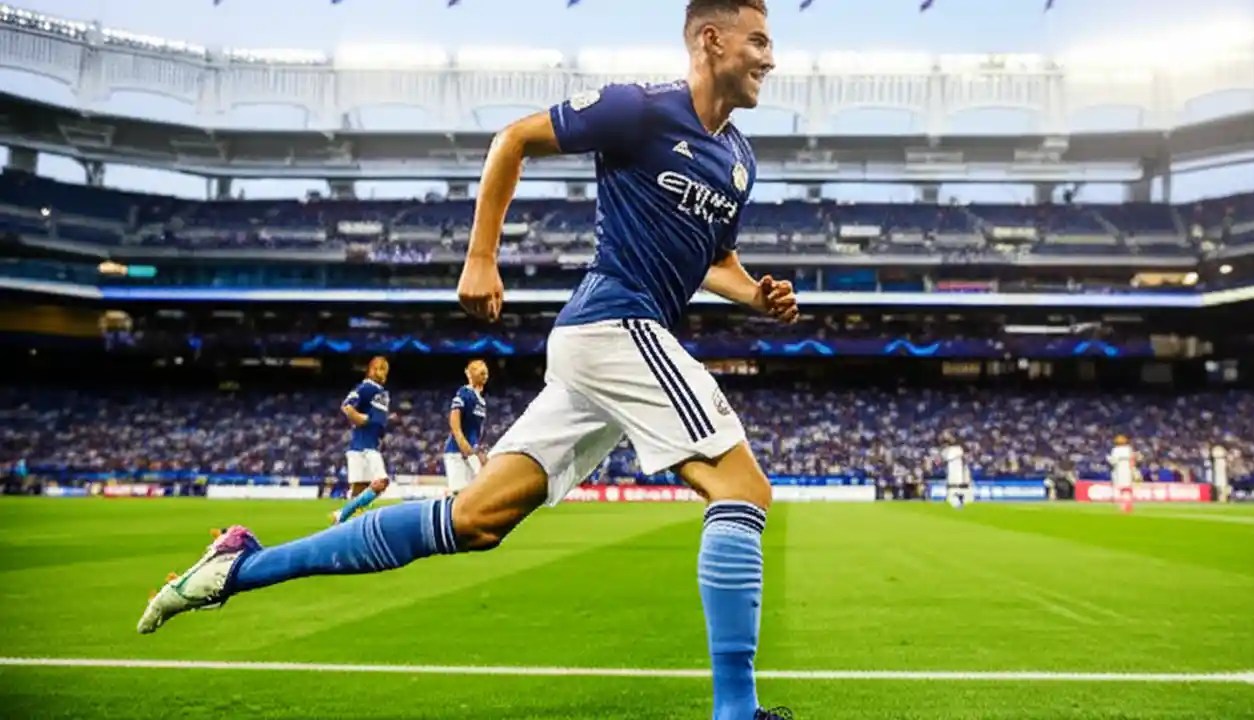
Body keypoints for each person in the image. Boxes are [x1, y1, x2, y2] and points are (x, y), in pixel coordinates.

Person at [137, 2, 794, 718]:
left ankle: (242, 566)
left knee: (474, 520)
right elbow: (512, 139)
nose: (768, 57)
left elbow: (716, 259)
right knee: (743, 490)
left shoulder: (739, 160)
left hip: (612, 349)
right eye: (758, 40)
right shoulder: (638, 110)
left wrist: (754, 294)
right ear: (711, 38)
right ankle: (737, 711)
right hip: (614, 323)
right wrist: (481, 257)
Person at [329, 357, 393, 525]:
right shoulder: (366, 387)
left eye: (385, 369)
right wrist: (361, 419)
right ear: (370, 370)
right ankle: (343, 514)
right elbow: (347, 405)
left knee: (359, 490)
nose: (382, 372)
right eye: (379, 368)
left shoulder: (380, 391)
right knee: (381, 482)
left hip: (366, 445)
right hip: (365, 447)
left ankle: (346, 522)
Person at [443, 359, 490, 496]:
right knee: (460, 495)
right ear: (469, 373)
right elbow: (454, 418)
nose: (483, 373)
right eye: (478, 369)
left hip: (471, 452)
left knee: (476, 494)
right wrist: (460, 440)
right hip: (457, 451)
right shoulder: (464, 392)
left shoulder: (482, 401)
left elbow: (476, 431)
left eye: (484, 371)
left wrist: (478, 450)